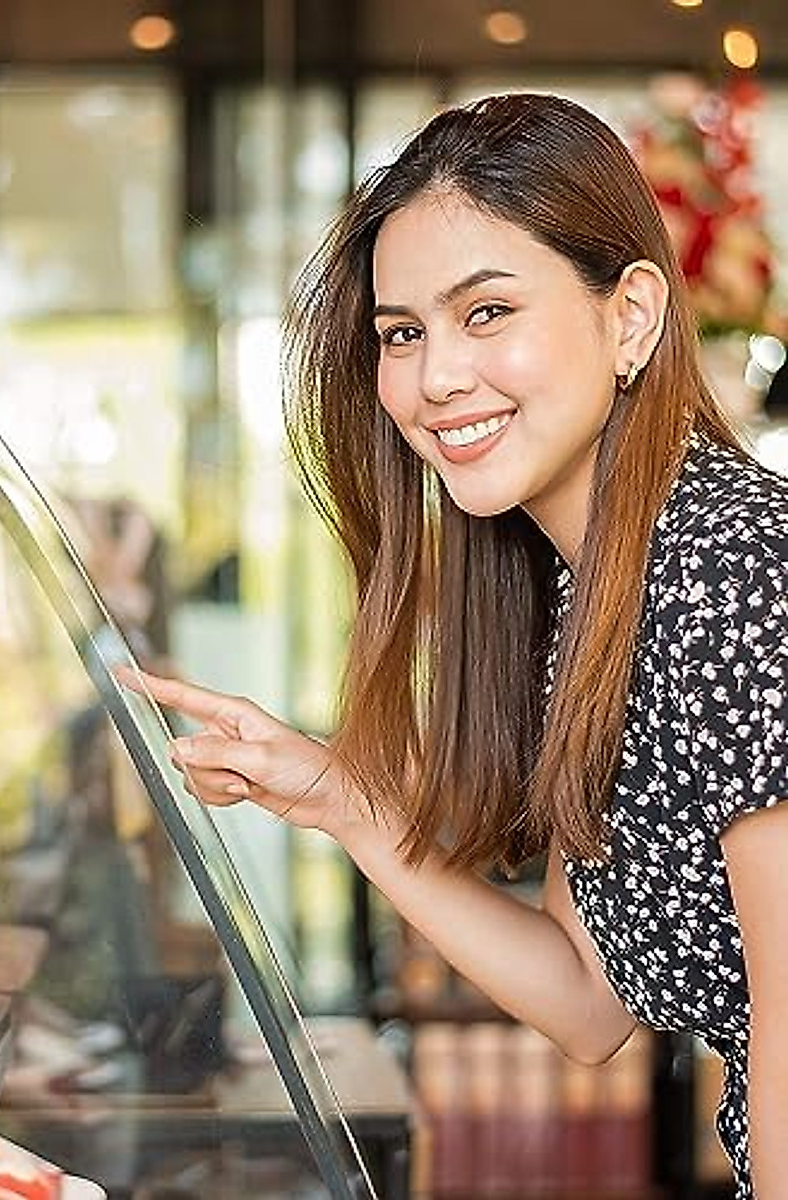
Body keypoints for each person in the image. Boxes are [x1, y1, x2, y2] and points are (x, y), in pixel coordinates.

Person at [119, 93, 788, 1199]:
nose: (434, 379)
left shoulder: (734, 566)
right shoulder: (591, 592)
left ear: (631, 317)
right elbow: (586, 1000)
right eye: (403, 332)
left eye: (487, 313)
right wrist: (341, 801)